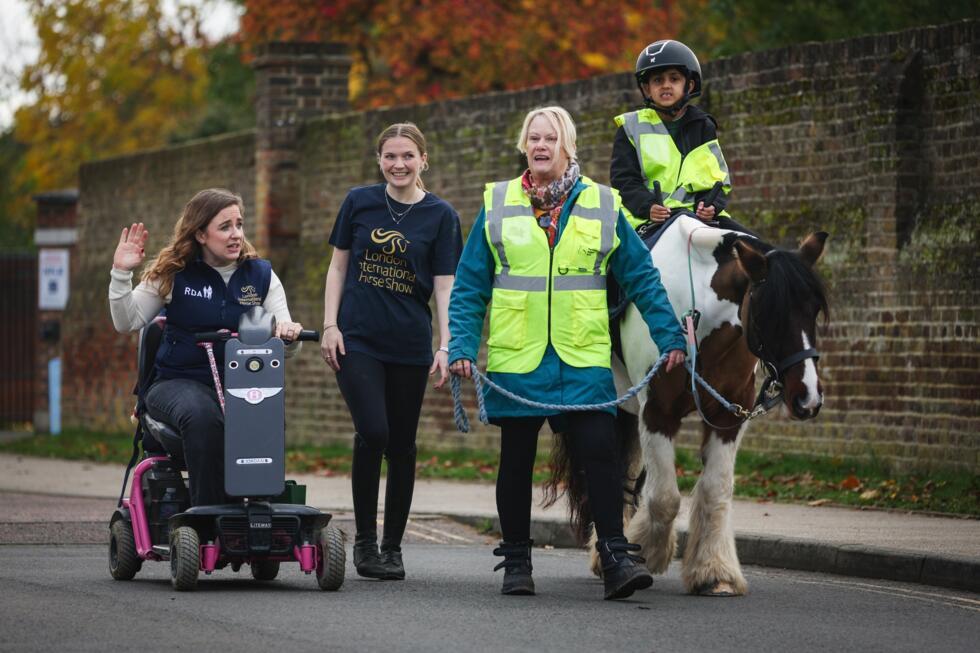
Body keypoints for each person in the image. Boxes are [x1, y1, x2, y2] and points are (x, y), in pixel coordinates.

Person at [448, 106, 687, 601]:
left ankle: (617, 558)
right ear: (524, 146)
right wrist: (462, 344)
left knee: (601, 455)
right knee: (515, 461)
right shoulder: (497, 204)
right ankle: (516, 560)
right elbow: (471, 284)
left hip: (582, 358)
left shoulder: (602, 204)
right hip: (519, 358)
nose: (539, 146)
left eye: (549, 138)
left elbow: (641, 275)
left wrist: (670, 337)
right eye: (532, 138)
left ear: (568, 147)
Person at [321, 122, 462, 581]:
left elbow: (445, 287)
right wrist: (329, 325)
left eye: (407, 156)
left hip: (409, 344)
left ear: (424, 159)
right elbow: (338, 265)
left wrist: (447, 344)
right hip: (358, 338)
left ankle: (392, 548)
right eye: (389, 157)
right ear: (379, 160)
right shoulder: (358, 202)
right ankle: (363, 540)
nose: (398, 165)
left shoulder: (441, 217)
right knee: (374, 431)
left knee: (402, 445)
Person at [109, 188, 305, 506]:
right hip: (176, 382)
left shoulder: (262, 276)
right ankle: (208, 515)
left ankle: (260, 508)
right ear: (200, 233)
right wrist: (121, 273)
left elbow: (283, 343)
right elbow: (126, 321)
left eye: (239, 225)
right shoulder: (175, 273)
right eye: (225, 227)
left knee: (266, 413)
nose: (236, 234)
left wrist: (287, 335)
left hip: (239, 384)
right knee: (203, 416)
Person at [611, 39, 753, 234]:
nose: (666, 86)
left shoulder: (703, 126)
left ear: (690, 84)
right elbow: (624, 180)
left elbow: (715, 178)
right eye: (658, 80)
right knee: (619, 261)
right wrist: (648, 207)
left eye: (674, 79)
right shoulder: (630, 128)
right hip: (646, 218)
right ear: (646, 89)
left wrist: (709, 206)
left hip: (696, 216)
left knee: (758, 248)